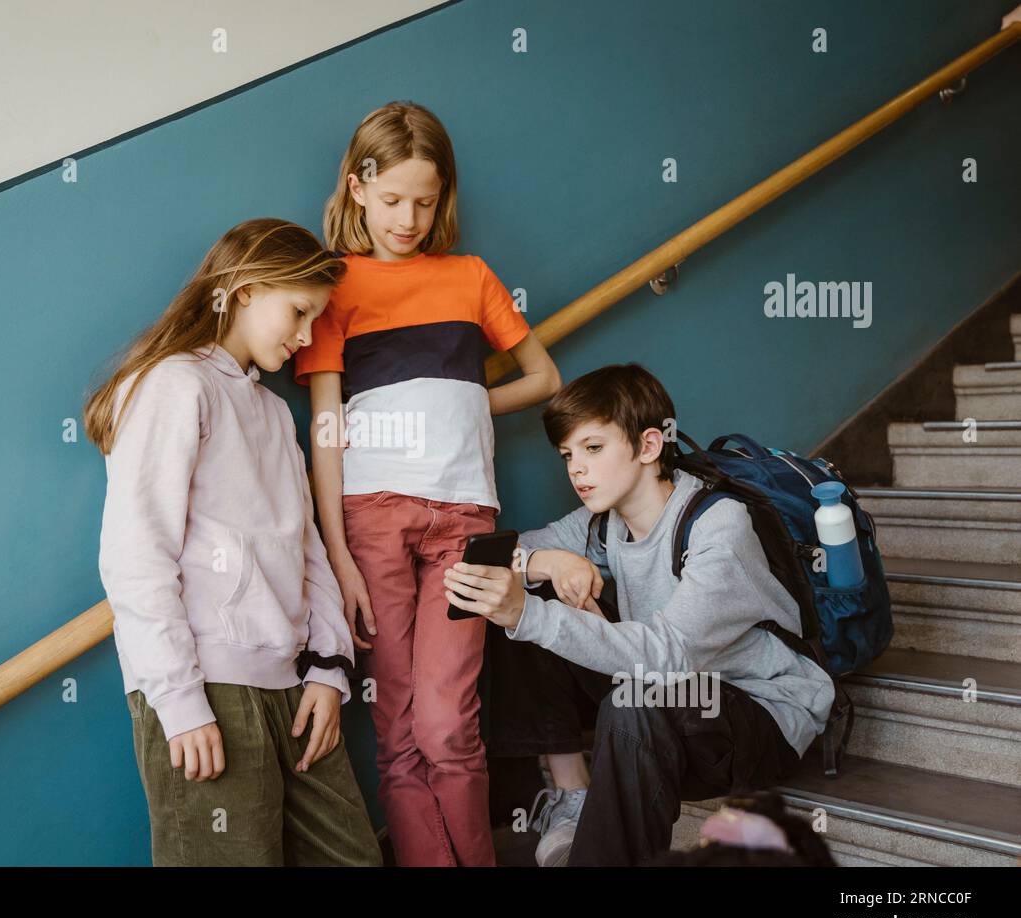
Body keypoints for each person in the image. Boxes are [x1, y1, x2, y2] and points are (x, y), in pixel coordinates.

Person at [293, 101, 561, 865]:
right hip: (371, 516)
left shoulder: (470, 276)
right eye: (390, 200)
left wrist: (469, 398)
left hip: (465, 518)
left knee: (450, 722)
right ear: (356, 189)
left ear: (444, 196)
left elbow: (544, 377)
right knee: (398, 726)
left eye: (426, 199)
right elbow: (324, 426)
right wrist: (337, 552)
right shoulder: (334, 285)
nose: (408, 218)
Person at [443, 363, 835, 866]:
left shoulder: (719, 525)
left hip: (759, 713)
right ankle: (573, 797)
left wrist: (529, 610)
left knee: (628, 698)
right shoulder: (602, 522)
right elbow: (489, 561)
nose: (576, 470)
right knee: (512, 601)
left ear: (649, 447)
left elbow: (667, 655)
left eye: (593, 448)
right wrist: (547, 563)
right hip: (669, 698)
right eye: (567, 455)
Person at [86, 218, 382, 866]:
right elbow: (136, 552)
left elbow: (308, 550)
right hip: (207, 685)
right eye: (299, 312)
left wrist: (330, 670)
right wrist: (180, 700)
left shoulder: (275, 413)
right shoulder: (173, 384)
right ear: (246, 288)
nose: (306, 337)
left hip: (292, 688)